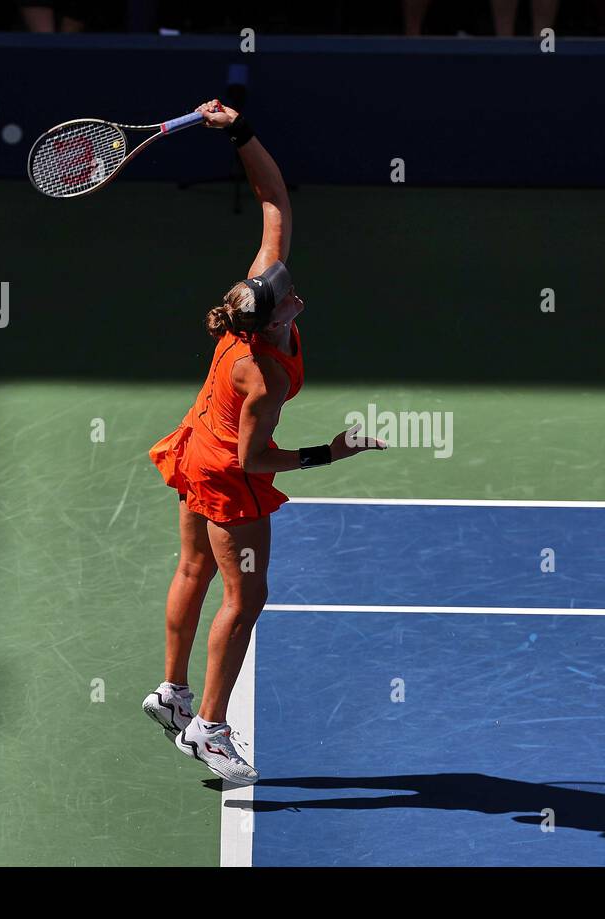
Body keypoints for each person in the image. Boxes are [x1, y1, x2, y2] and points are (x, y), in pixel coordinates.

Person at [142, 100, 386, 784]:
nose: (292, 284)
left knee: (193, 571)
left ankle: (172, 693)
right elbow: (254, 459)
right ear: (280, 312)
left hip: (192, 448)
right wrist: (327, 454)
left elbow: (273, 200)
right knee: (245, 599)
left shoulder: (247, 312)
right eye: (287, 289)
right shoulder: (268, 377)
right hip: (227, 476)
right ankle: (209, 730)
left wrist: (240, 131)